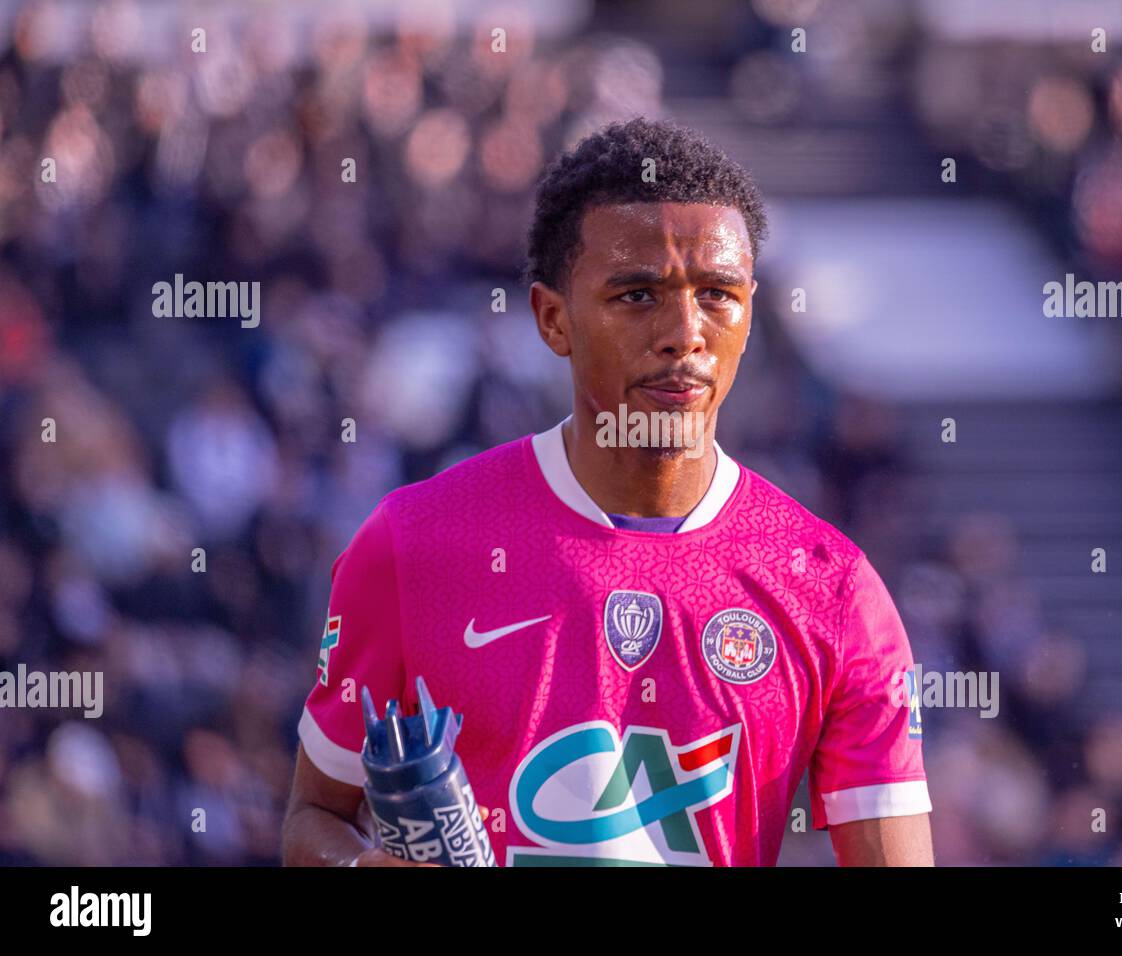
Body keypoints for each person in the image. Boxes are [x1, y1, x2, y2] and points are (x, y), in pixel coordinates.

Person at [281, 117, 933, 867]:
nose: (684, 332)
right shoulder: (412, 543)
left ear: (750, 316)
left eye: (718, 295)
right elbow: (313, 820)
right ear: (553, 319)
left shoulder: (834, 588)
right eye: (636, 295)